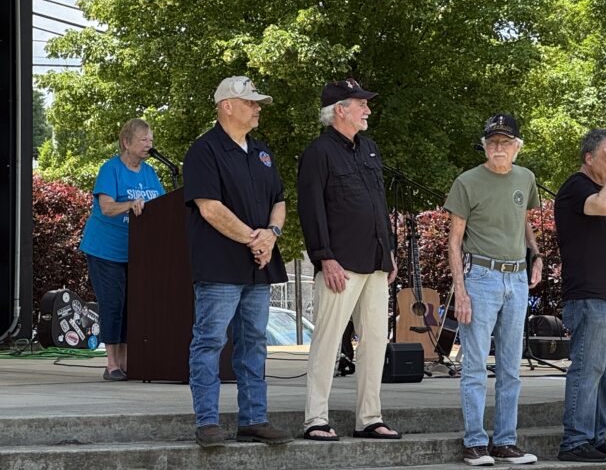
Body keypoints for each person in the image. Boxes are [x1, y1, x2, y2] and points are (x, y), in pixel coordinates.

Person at [183, 76, 292, 449]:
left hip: (258, 266)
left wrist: (271, 235)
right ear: (226, 105)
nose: (257, 108)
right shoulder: (204, 150)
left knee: (255, 343)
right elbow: (210, 208)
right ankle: (208, 422)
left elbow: (279, 200)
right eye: (250, 102)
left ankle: (254, 419)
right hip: (220, 266)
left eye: (258, 102)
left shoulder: (262, 152)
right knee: (211, 340)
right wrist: (254, 239)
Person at [297, 79, 399, 442]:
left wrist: (388, 250)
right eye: (361, 104)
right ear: (340, 110)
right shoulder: (319, 152)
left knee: (375, 341)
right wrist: (324, 257)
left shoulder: (369, 148)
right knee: (327, 341)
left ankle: (369, 418)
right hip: (339, 264)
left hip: (375, 261)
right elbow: (311, 209)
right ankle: (315, 419)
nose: (367, 110)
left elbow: (378, 204)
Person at [445, 114, 542, 467]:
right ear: (485, 146)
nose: (499, 147)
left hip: (516, 277)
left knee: (511, 367)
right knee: (474, 365)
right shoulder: (467, 182)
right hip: (481, 276)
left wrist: (537, 254)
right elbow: (454, 241)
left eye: (505, 142)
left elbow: (524, 221)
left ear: (517, 146)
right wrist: (461, 291)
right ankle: (475, 442)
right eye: (493, 142)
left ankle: (505, 441)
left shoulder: (526, 178)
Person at [554, 128, 606, 463]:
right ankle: (575, 440)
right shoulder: (576, 186)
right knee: (587, 369)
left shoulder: (602, 191)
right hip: (589, 296)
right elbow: (603, 206)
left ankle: (596, 436)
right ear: (588, 158)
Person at [79, 119, 165, 380]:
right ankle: (112, 364)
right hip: (106, 249)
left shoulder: (150, 173)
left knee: (132, 305)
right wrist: (129, 204)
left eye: (151, 140)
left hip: (137, 252)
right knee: (113, 303)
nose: (149, 144)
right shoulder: (111, 169)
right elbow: (107, 207)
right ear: (126, 143)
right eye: (143, 140)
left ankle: (127, 361)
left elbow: (163, 206)